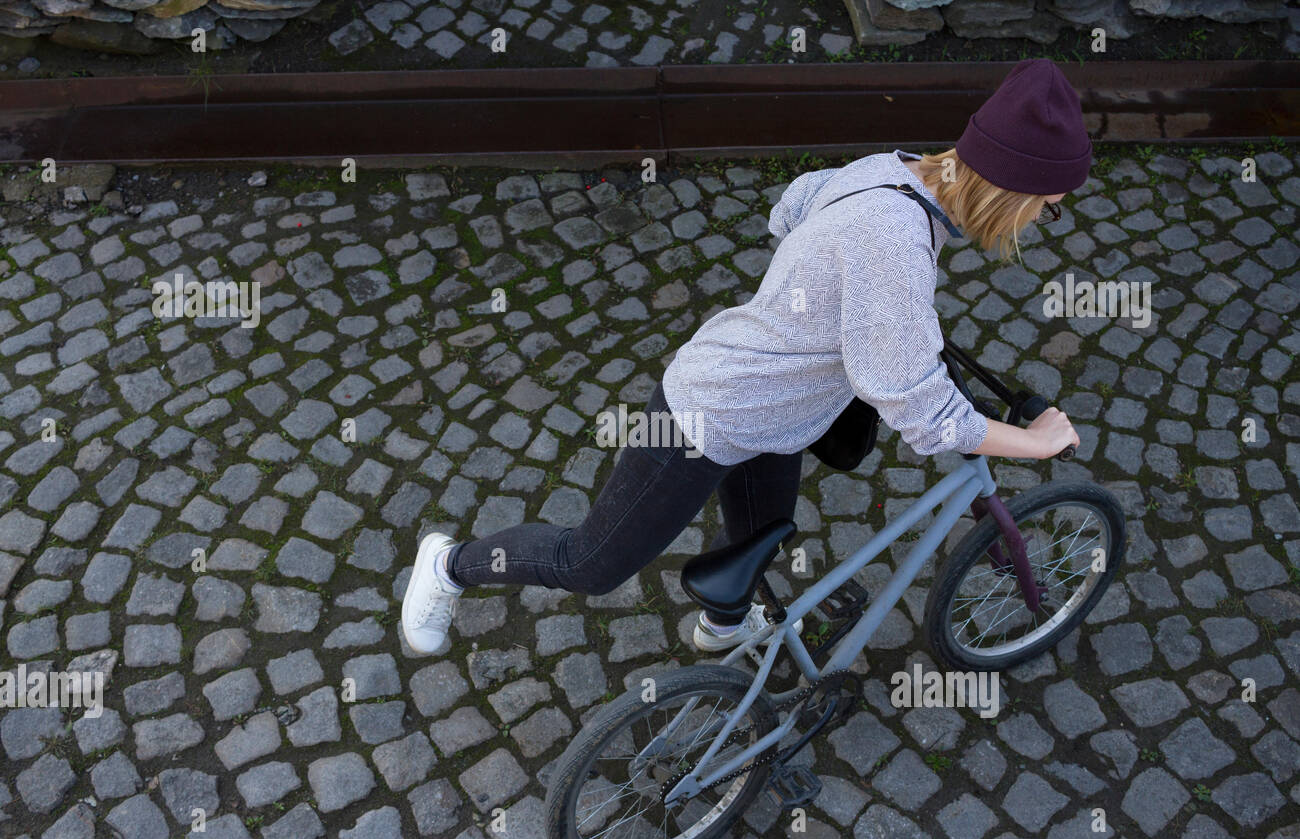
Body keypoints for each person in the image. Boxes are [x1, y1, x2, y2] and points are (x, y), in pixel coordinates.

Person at [401, 58, 1088, 656]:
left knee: (760, 539)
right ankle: (451, 566)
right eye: (1048, 209)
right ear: (1014, 191)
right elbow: (925, 413)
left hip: (777, 419)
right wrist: (1031, 443)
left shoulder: (901, 170)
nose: (1041, 223)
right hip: (707, 414)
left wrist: (824, 304)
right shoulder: (895, 245)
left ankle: (726, 628)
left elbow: (791, 211)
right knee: (592, 561)